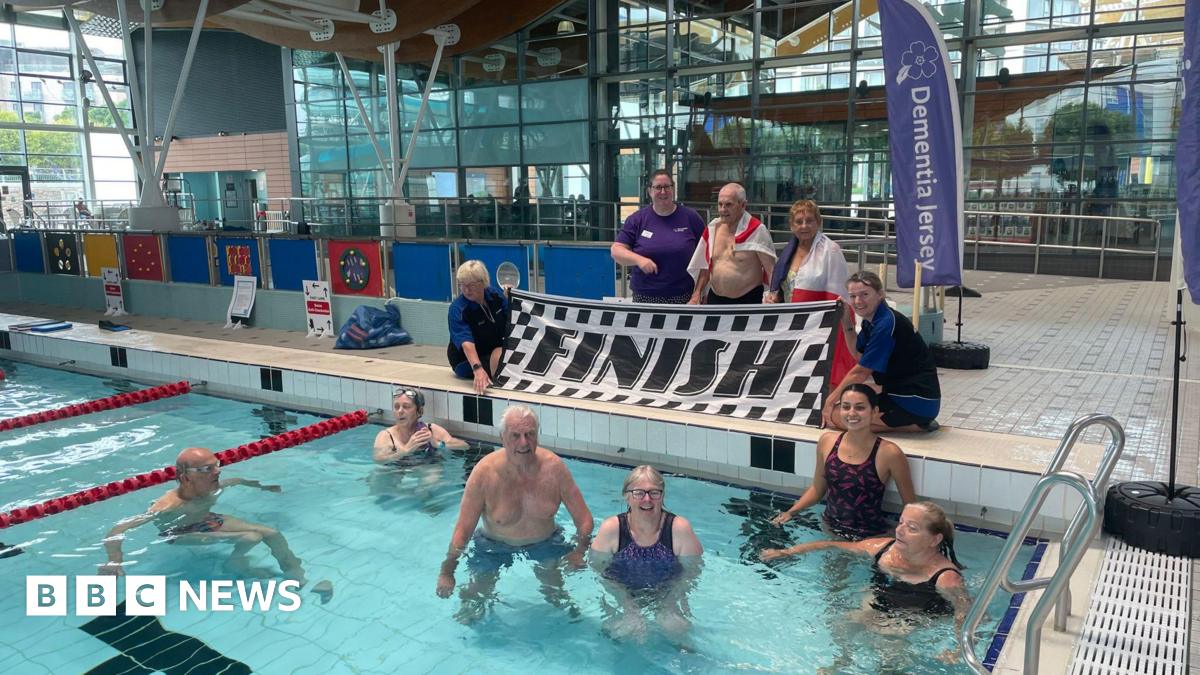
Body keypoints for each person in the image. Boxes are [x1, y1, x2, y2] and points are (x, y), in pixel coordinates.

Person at [99, 447, 332, 601]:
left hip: (209, 520)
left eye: (216, 464)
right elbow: (118, 529)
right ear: (186, 477)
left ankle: (299, 579)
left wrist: (264, 487)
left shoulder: (213, 487)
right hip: (179, 532)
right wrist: (114, 560)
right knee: (251, 536)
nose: (217, 471)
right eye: (207, 469)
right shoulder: (168, 505)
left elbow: (237, 480)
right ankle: (235, 564)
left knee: (271, 532)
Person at [436, 404, 593, 623]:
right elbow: (463, 529)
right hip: (494, 545)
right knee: (476, 597)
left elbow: (584, 519)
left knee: (557, 593)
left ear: (537, 435)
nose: (524, 443)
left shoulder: (554, 468)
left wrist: (580, 550)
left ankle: (565, 612)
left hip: (545, 541)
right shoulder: (485, 473)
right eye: (515, 436)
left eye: (530, 434)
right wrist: (447, 570)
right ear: (502, 437)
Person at [761, 501, 971, 663]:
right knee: (843, 624)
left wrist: (957, 651)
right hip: (884, 601)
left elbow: (965, 613)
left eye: (912, 528)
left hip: (919, 614)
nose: (899, 530)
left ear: (935, 540)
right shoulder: (883, 550)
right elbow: (832, 545)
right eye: (901, 522)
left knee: (889, 648)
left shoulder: (945, 578)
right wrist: (787, 552)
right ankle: (842, 661)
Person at [771, 384, 916, 539]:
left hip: (867, 538)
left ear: (874, 411)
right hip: (828, 528)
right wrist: (791, 512)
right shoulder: (827, 442)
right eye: (846, 407)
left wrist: (899, 536)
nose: (851, 413)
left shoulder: (889, 453)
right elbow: (817, 489)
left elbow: (910, 507)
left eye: (860, 408)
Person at [590, 465, 703, 640]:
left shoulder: (679, 529)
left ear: (662, 496)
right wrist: (629, 607)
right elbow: (599, 571)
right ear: (627, 496)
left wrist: (668, 603)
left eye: (654, 493)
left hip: (667, 591)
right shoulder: (612, 529)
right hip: (622, 591)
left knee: (675, 627)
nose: (647, 499)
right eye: (639, 493)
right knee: (622, 631)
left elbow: (691, 572)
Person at [823, 271, 941, 433]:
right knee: (850, 399)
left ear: (880, 294)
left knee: (838, 415)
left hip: (915, 402)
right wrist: (846, 322)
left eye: (864, 294)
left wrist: (829, 402)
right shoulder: (874, 319)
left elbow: (861, 372)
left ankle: (911, 426)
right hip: (911, 396)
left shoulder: (886, 324)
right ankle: (907, 422)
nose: (858, 301)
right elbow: (859, 356)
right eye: (853, 296)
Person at [765, 199, 855, 386]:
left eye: (809, 221)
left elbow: (839, 298)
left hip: (817, 329)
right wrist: (774, 298)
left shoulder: (831, 250)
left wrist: (831, 333)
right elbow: (784, 287)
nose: (804, 226)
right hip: (790, 326)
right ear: (791, 225)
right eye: (799, 221)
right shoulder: (789, 251)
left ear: (818, 222)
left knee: (818, 380)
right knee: (792, 378)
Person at [611, 170, 707, 304]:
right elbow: (616, 250)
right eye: (658, 187)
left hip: (684, 297)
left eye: (667, 187)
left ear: (673, 189)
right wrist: (639, 260)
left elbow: (706, 258)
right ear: (649, 191)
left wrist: (698, 293)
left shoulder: (691, 218)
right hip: (645, 296)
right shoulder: (637, 219)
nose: (663, 192)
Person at [687, 182, 776, 305]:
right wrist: (697, 293)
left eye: (728, 205)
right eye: (720, 204)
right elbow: (705, 265)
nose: (723, 210)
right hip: (716, 299)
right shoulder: (713, 229)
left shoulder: (757, 230)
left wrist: (773, 295)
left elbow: (771, 271)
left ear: (743, 205)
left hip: (748, 300)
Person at [447, 260, 509, 395]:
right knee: (499, 354)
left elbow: (511, 316)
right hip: (466, 360)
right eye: (462, 285)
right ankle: (501, 392)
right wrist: (478, 369)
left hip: (490, 350)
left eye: (471, 285)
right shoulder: (458, 309)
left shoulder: (494, 296)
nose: (466, 290)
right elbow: (466, 343)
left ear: (483, 282)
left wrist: (511, 298)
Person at [373, 388, 469, 464]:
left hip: (426, 465)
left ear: (420, 411)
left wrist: (437, 444)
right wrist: (406, 450)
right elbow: (379, 460)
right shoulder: (387, 435)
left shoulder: (431, 430)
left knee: (432, 472)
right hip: (396, 468)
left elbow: (464, 446)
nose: (400, 411)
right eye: (396, 407)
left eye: (406, 407)